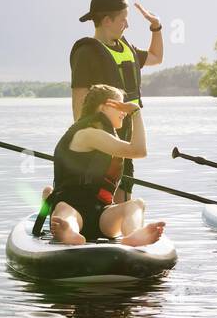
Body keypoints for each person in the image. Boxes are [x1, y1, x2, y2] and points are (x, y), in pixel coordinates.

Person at [42, 83, 166, 246]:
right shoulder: (88, 134)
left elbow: (139, 151)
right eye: (120, 105)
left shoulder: (105, 136)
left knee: (136, 205)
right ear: (104, 106)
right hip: (72, 209)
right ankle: (69, 231)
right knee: (65, 210)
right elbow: (138, 150)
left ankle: (134, 235)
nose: (124, 111)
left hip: (102, 215)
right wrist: (135, 112)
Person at [70, 0, 163, 203]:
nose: (127, 25)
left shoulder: (126, 48)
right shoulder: (87, 53)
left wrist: (156, 26)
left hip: (127, 131)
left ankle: (119, 223)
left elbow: (156, 57)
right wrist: (85, 142)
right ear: (107, 21)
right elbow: (79, 101)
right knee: (100, 189)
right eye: (123, 20)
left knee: (124, 182)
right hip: (100, 133)